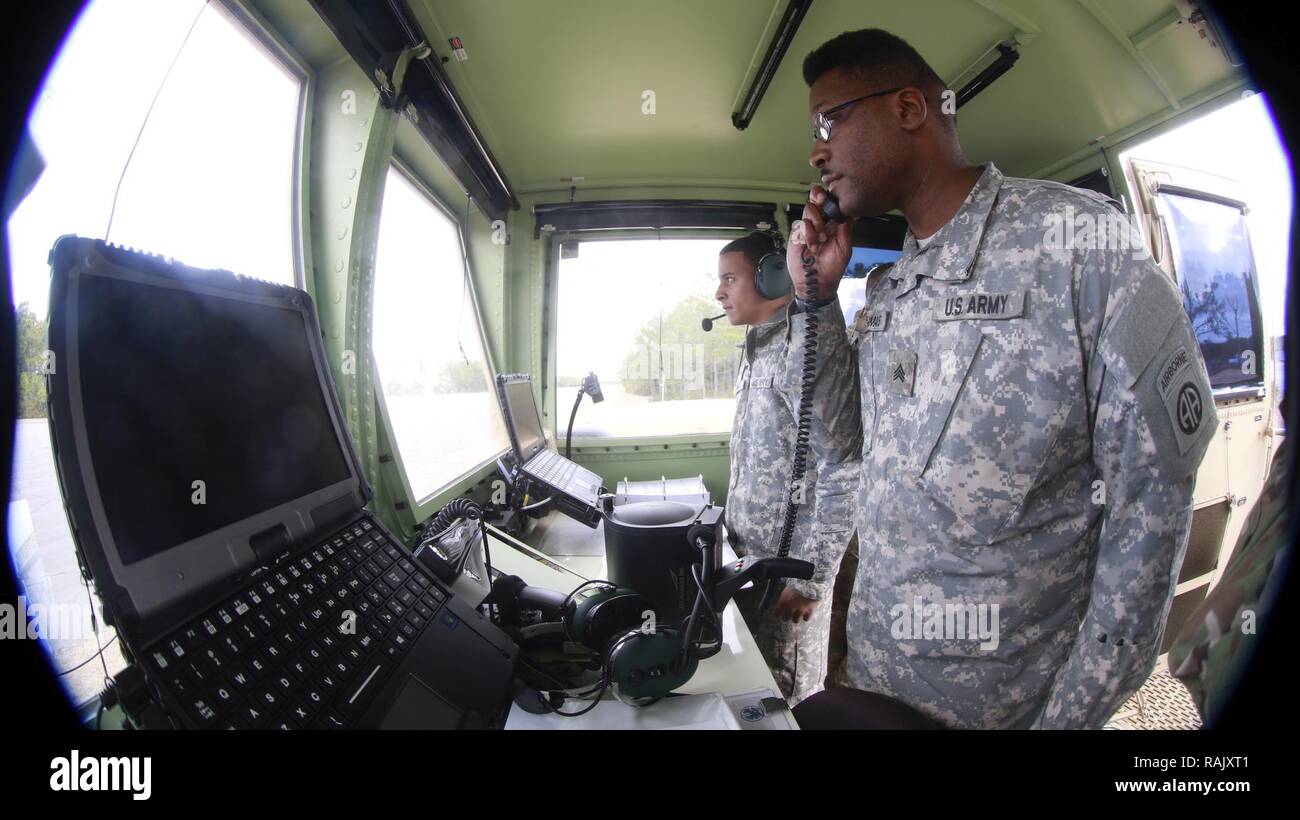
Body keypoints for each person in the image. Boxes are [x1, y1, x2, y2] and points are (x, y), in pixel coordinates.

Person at [788, 29, 1217, 728]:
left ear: (907, 109)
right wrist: (815, 301)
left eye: (830, 119)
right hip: (875, 683)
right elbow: (842, 446)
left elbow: (1152, 504)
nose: (816, 149)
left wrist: (1070, 719)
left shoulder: (1080, 242)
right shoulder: (890, 287)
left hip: (1006, 711)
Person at [716, 231, 860, 705]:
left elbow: (843, 468)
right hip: (750, 568)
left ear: (772, 275)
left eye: (729, 279)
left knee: (787, 703)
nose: (719, 292)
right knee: (752, 697)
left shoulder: (806, 344)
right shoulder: (758, 346)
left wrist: (810, 580)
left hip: (787, 585)